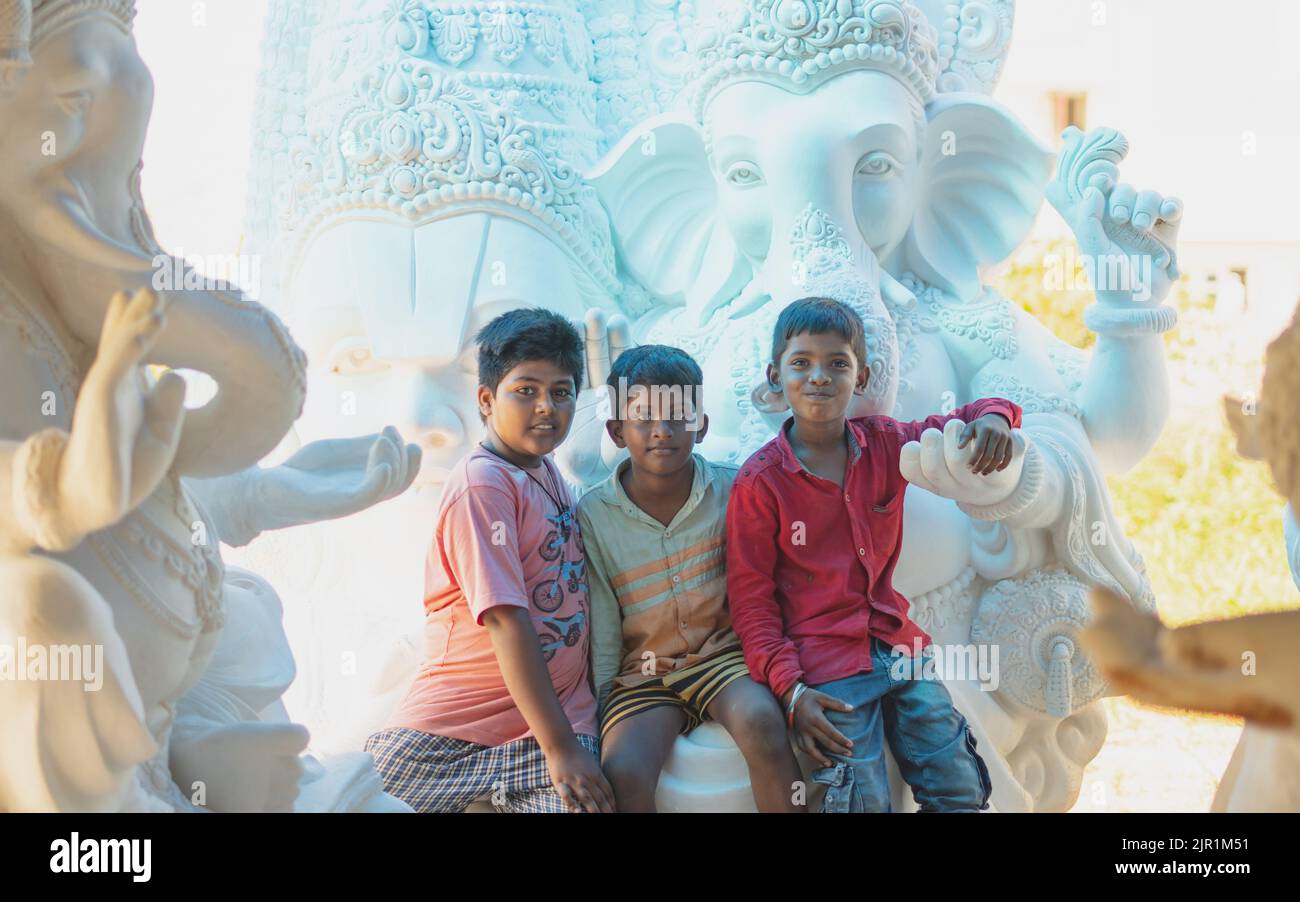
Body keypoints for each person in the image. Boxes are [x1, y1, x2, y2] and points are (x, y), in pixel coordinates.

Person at [727, 297, 1020, 812]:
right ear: (777, 375)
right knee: (862, 802)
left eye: (837, 363)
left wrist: (995, 416)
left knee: (959, 788)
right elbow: (752, 604)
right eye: (801, 363)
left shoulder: (886, 444)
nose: (819, 376)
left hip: (900, 647)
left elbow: (968, 417)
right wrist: (791, 691)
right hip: (825, 665)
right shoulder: (760, 483)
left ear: (861, 377)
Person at [365, 308, 614, 813]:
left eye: (561, 392)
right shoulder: (484, 483)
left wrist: (563, 742)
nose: (546, 407)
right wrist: (561, 749)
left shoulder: (547, 472)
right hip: (454, 729)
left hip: (554, 722)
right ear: (486, 399)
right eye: (526, 390)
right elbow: (504, 618)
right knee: (358, 795)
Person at [580, 345, 803, 812]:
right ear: (617, 431)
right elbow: (603, 620)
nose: (662, 430)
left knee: (763, 722)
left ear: (701, 425)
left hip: (724, 658)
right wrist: (600, 710)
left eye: (679, 415)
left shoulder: (733, 489)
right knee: (623, 772)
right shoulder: (594, 514)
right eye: (643, 417)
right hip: (644, 674)